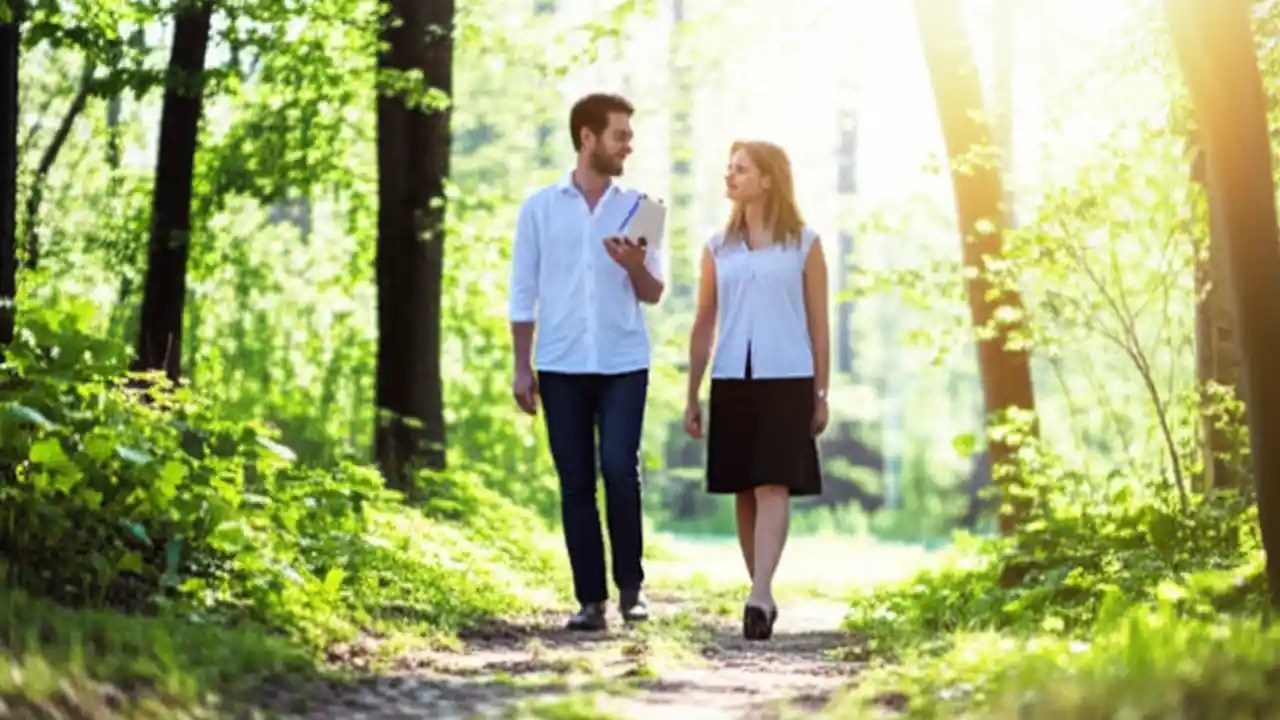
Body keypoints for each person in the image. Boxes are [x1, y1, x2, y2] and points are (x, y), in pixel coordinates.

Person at [507, 93, 667, 631]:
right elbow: (523, 291)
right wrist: (521, 366)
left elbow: (653, 293)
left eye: (629, 135)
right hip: (560, 364)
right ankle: (590, 601)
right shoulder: (540, 207)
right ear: (587, 138)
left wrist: (635, 265)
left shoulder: (640, 206)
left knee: (620, 469)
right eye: (620, 135)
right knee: (575, 482)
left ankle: (631, 590)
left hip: (623, 360)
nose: (629, 145)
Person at [683, 139, 830, 641]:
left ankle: (760, 592)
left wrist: (822, 392)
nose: (730, 176)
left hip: (788, 377)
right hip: (731, 378)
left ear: (768, 179)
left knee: (773, 484)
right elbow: (704, 321)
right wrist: (691, 393)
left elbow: (819, 323)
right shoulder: (716, 248)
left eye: (741, 169)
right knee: (744, 491)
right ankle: (760, 594)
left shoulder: (805, 245)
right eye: (729, 168)